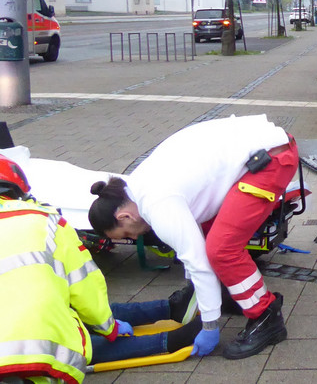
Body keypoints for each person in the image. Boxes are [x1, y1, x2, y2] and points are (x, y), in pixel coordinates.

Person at [87, 114, 299, 359]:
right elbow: (191, 247)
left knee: (222, 249)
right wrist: (202, 296)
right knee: (212, 236)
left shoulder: (157, 204)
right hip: (260, 148)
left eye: (125, 234)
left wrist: (209, 326)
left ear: (124, 217)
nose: (133, 237)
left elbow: (197, 261)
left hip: (272, 157)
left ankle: (266, 317)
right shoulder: (137, 186)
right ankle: (230, 294)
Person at [0, 156, 200, 384]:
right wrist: (109, 328)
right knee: (70, 343)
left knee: (63, 322)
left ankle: (173, 310)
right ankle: (172, 340)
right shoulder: (46, 221)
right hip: (24, 358)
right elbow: (86, 291)